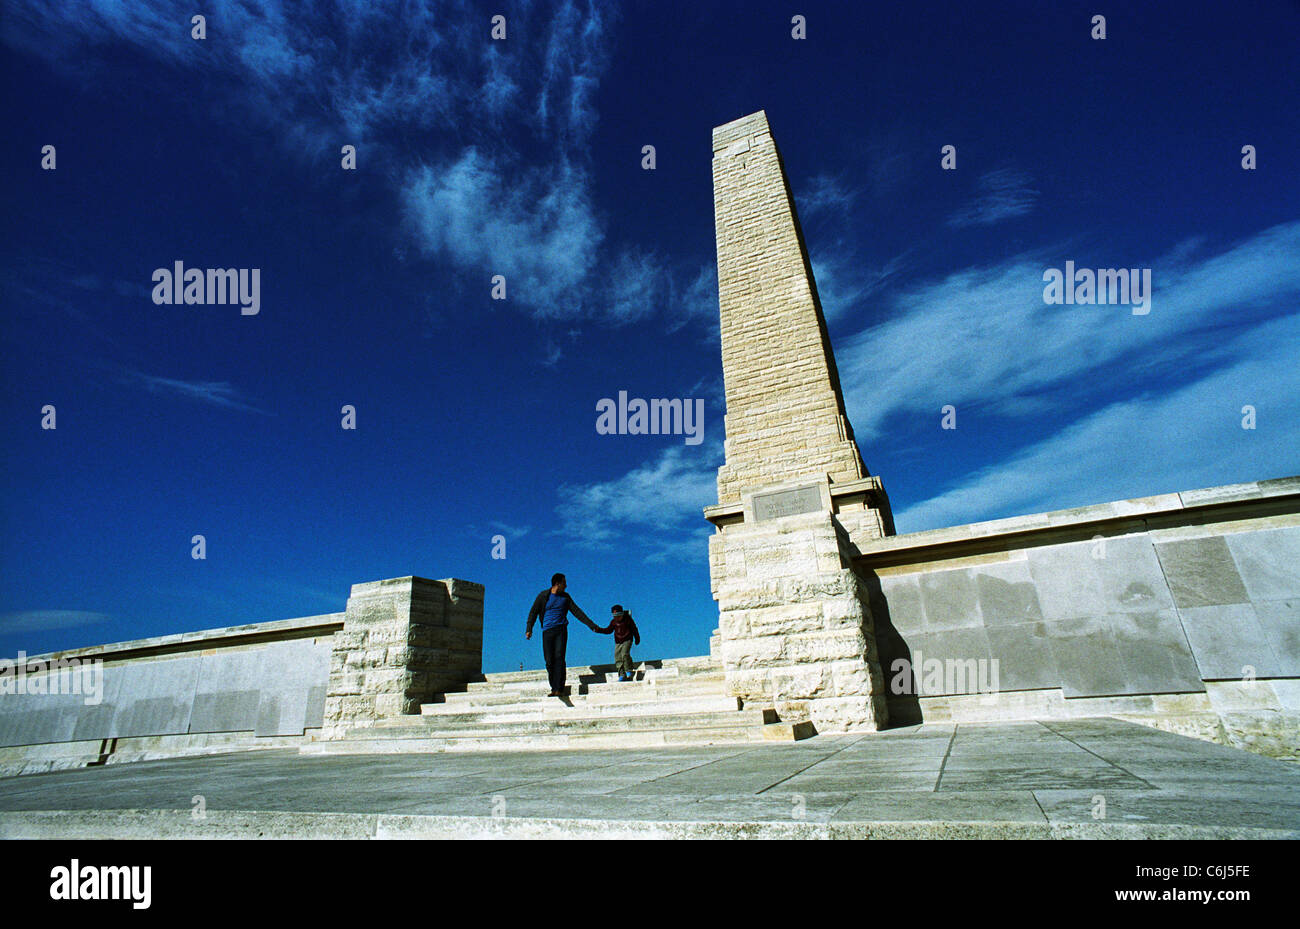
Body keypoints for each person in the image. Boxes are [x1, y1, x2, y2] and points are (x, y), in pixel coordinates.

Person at [525, 573, 599, 696]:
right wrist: (529, 629)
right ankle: (553, 687)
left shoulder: (565, 597)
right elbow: (533, 612)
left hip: (561, 630)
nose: (566, 585)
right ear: (557, 584)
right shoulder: (543, 596)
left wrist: (591, 625)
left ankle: (559, 688)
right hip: (547, 631)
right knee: (549, 660)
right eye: (564, 583)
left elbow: (577, 612)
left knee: (559, 657)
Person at [595, 604, 641, 682]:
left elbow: (634, 629)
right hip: (618, 641)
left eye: (619, 616)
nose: (617, 618)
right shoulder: (613, 622)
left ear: (622, 614)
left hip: (627, 639)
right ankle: (621, 674)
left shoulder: (628, 620)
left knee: (624, 654)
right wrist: (599, 630)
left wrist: (637, 638)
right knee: (617, 657)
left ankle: (628, 669)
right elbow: (608, 630)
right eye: (615, 616)